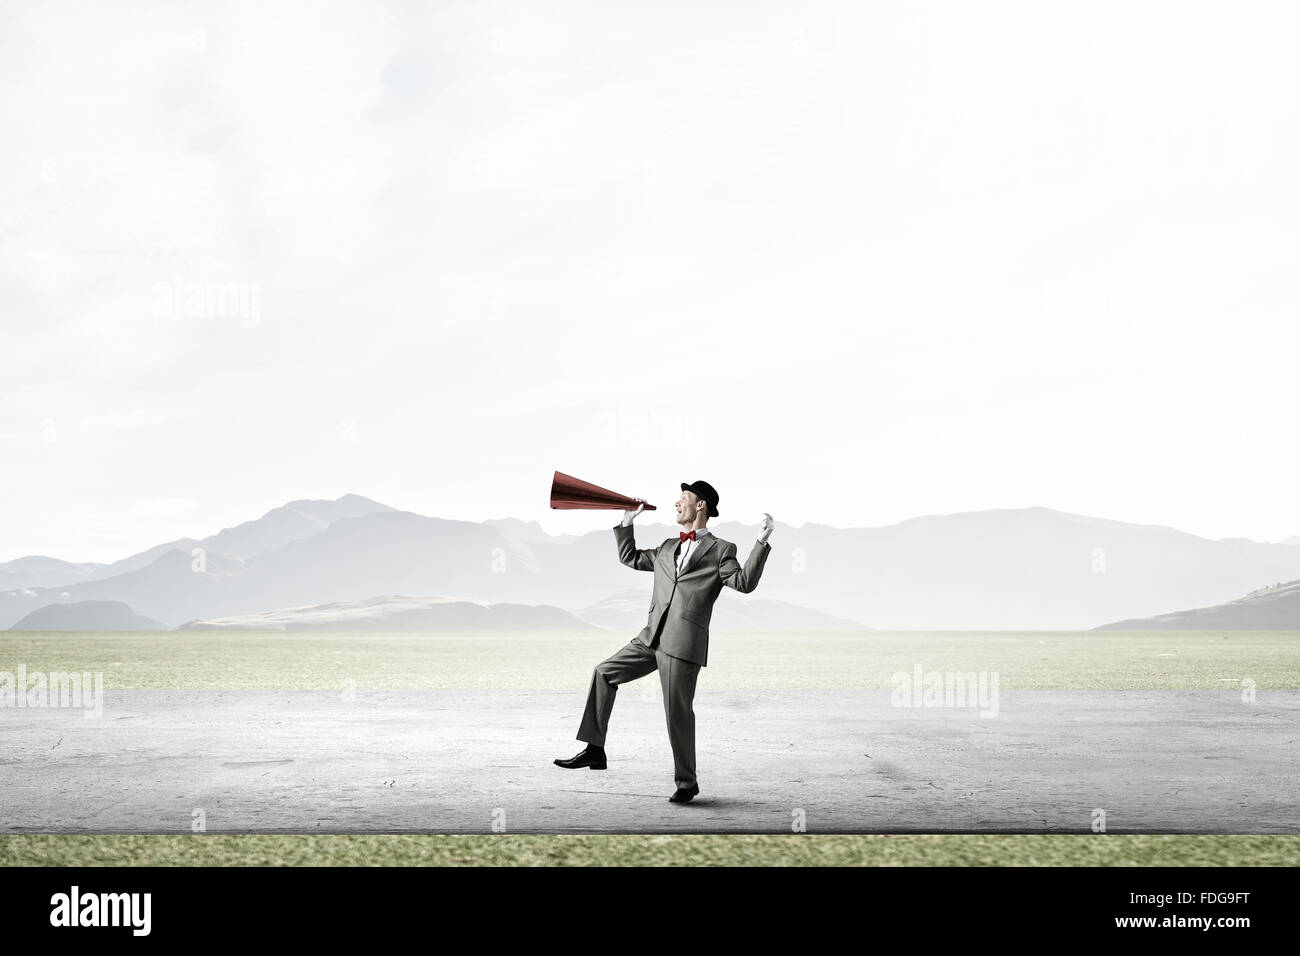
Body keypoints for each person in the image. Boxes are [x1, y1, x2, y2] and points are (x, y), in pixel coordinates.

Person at [554, 479, 774, 802]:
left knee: (677, 713)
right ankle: (594, 749)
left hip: (683, 645)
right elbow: (629, 557)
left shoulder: (721, 550)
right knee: (604, 673)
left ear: (700, 506)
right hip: (650, 638)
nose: (676, 503)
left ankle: (687, 783)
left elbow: (744, 582)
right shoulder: (668, 546)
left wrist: (761, 542)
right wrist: (628, 522)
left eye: (682, 498)